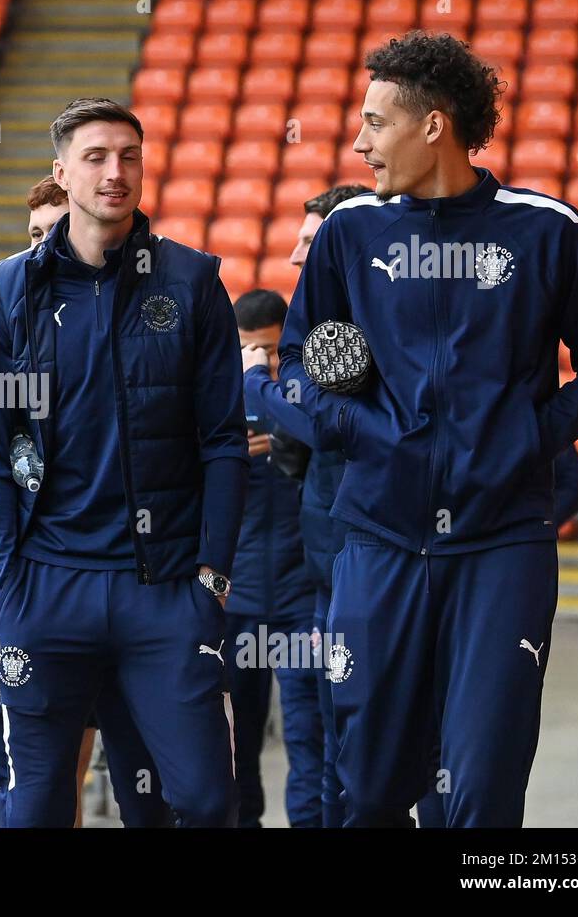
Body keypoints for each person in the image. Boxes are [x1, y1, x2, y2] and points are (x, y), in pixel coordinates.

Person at [276, 31, 578, 826]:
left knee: (479, 792)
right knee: (366, 790)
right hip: (377, 541)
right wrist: (361, 430)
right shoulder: (351, 232)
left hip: (501, 544)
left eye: (375, 122)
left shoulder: (546, 229)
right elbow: (297, 364)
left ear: (432, 126)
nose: (360, 143)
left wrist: (523, 439)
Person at [0, 98, 248, 827]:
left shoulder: (190, 283)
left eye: (129, 155)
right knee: (31, 809)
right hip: (45, 585)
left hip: (163, 587)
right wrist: (5, 582)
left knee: (206, 800)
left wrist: (212, 573)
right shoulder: (5, 293)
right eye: (95, 157)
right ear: (61, 174)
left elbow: (222, 440)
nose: (115, 172)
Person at [245, 183, 366, 828]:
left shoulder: (359, 329)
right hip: (325, 577)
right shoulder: (320, 330)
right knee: (323, 747)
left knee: (352, 754)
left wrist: (256, 387)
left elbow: (326, 429)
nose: (295, 257)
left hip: (363, 577)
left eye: (310, 242)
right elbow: (308, 451)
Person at [228, 289, 324, 828]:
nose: (258, 362)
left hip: (300, 599)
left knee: (307, 735)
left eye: (268, 349)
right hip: (233, 601)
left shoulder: (313, 396)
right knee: (235, 741)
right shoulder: (214, 396)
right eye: (248, 351)